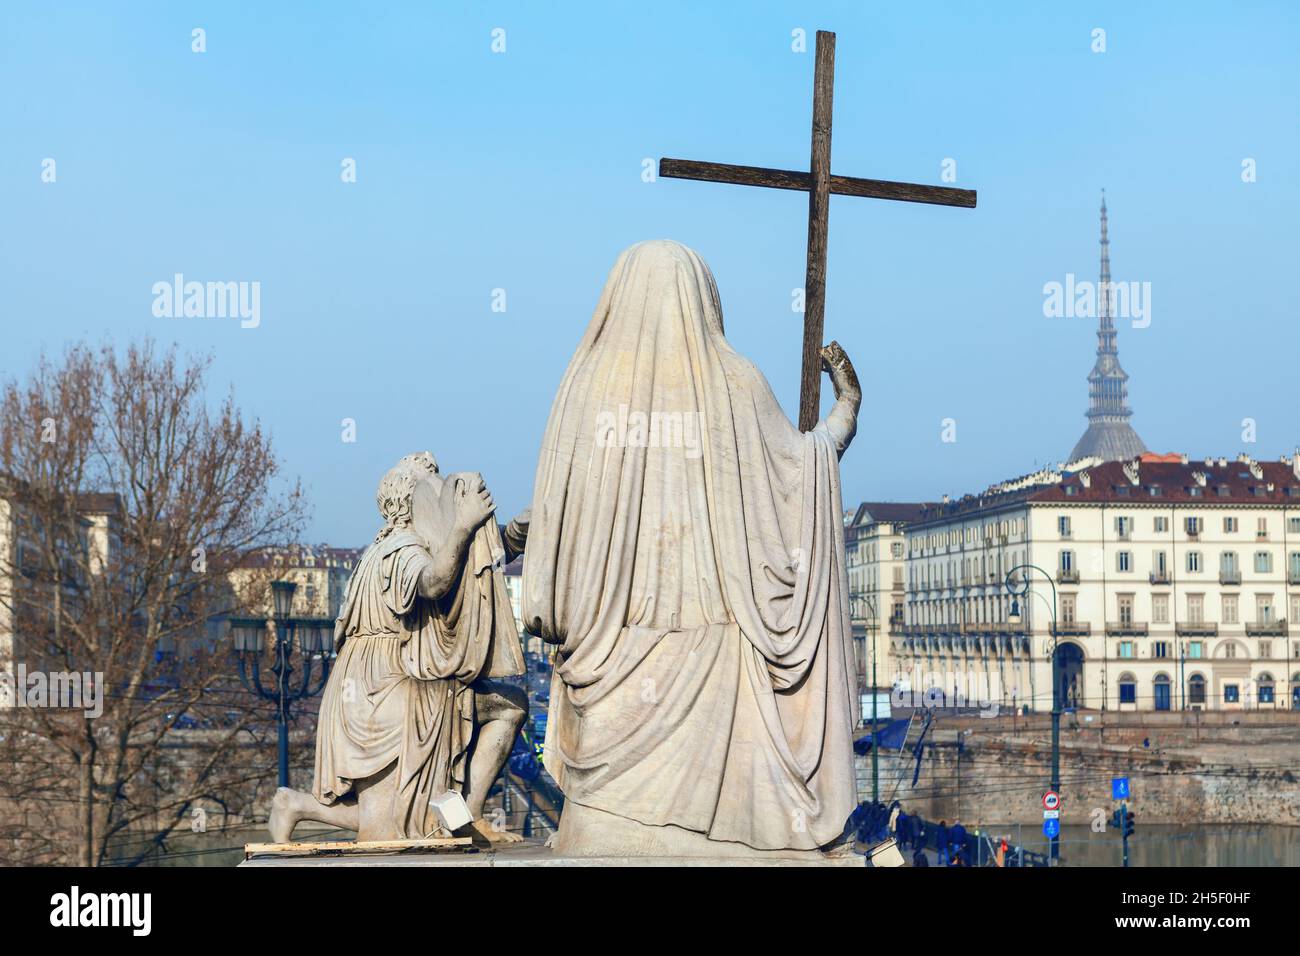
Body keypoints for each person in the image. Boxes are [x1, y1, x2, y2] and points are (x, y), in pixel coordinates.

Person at [524, 241, 863, 856]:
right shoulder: (733, 382)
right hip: (716, 658)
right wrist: (844, 412)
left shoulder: (581, 389)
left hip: (609, 658)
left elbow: (555, 518)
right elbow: (796, 481)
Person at [268, 453, 530, 843]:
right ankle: (464, 818)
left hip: (370, 684)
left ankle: (297, 804)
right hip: (383, 690)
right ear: (413, 501)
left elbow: (476, 557)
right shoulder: (402, 549)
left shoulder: (380, 549)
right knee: (391, 824)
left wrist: (519, 530)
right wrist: (462, 524)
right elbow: (435, 582)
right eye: (434, 488)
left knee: (395, 821)